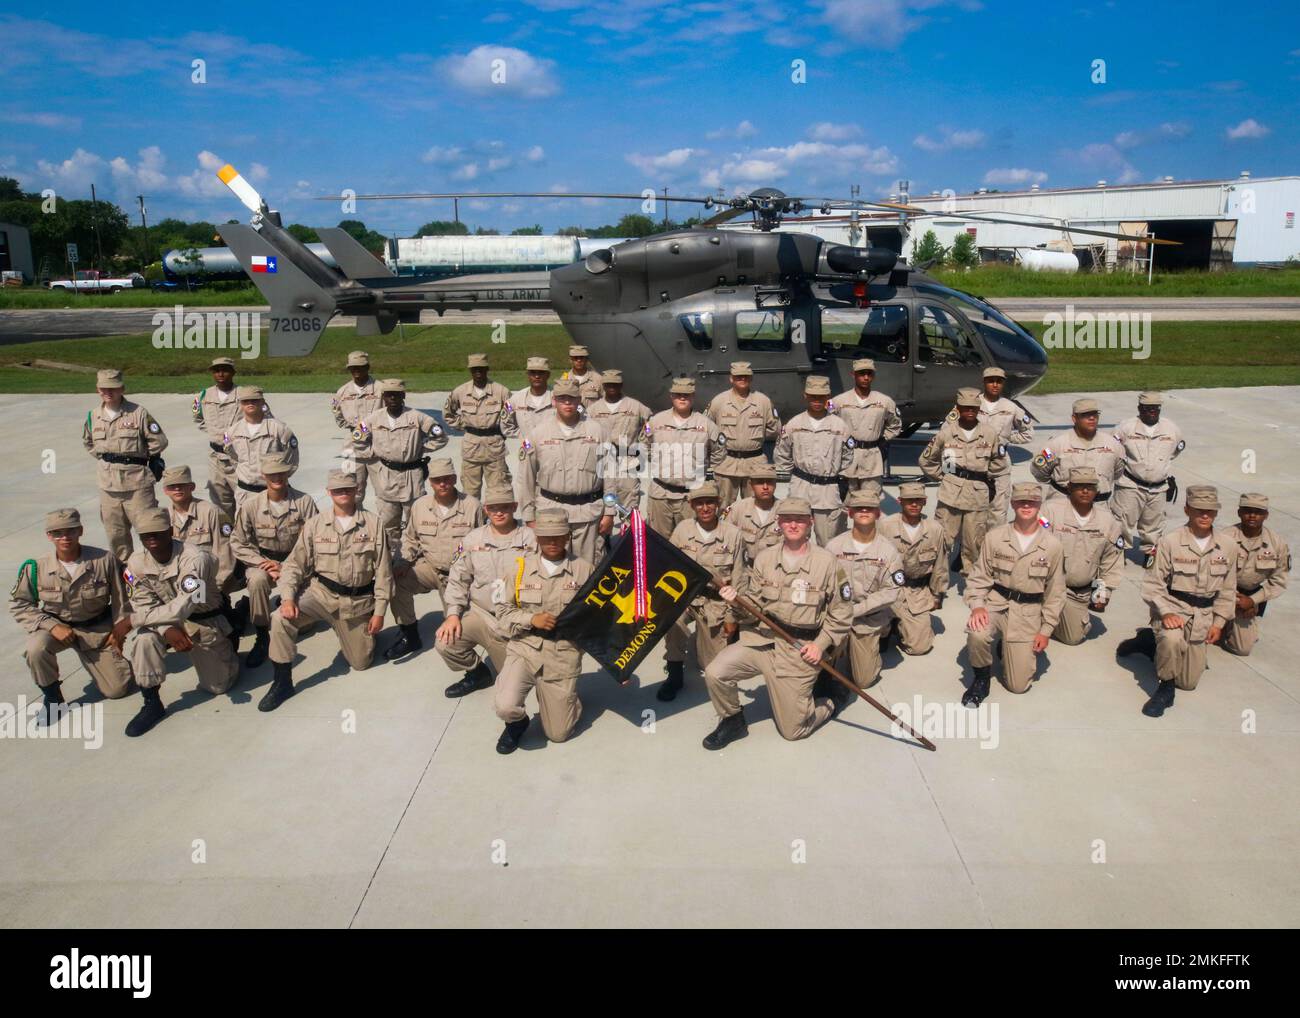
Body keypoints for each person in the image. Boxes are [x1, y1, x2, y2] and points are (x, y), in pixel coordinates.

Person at [703, 497, 854, 749]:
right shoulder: (764, 559)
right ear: (778, 523)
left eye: (800, 520)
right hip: (762, 639)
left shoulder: (827, 563)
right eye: (787, 519)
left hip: (800, 648)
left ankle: (831, 699)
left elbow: (842, 612)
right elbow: (754, 606)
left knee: (794, 731)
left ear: (810, 523)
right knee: (715, 672)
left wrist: (821, 645)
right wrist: (737, 602)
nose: (793, 524)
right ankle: (732, 720)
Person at [261, 470, 394, 713]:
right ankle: (282, 682)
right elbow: (294, 565)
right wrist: (289, 598)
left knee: (361, 663)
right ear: (328, 493)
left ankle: (363, 632)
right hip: (321, 595)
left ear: (356, 491)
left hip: (357, 602)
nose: (343, 494)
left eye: (347, 489)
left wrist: (380, 613)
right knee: (280, 618)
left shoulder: (374, 524)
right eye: (337, 490)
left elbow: (384, 573)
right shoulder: (315, 525)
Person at [120, 508, 239, 737]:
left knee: (217, 687)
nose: (151, 540)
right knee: (144, 640)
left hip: (203, 619)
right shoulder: (135, 563)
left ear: (171, 531)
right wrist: (166, 630)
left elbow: (185, 606)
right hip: (164, 621)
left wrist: (131, 621)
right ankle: (152, 702)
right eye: (146, 536)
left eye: (157, 533)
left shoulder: (195, 559)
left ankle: (229, 642)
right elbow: (142, 603)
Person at [1125, 486, 1237, 718]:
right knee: (1171, 638)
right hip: (1174, 608)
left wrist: (1219, 622)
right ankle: (1165, 689)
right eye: (1198, 510)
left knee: (1188, 682)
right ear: (1187, 510)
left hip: (1203, 616)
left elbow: (1228, 589)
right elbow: (1153, 585)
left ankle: (1148, 644)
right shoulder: (1169, 542)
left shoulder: (1228, 547)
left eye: (1209, 511)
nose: (1204, 515)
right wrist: (1165, 613)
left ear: (1216, 513)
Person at [10, 508, 134, 716]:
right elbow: (19, 604)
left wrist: (119, 632)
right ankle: (52, 697)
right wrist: (52, 626)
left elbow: (122, 599)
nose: (64, 537)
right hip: (58, 629)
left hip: (96, 630)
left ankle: (115, 663)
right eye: (57, 533)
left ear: (80, 531)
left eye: (70, 531)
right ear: (49, 536)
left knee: (117, 690)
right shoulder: (36, 567)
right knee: (35, 649)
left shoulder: (104, 560)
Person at [492, 509, 595, 753]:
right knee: (505, 706)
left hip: (562, 654)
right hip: (525, 648)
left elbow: (597, 618)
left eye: (558, 536)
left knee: (559, 734)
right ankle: (517, 725)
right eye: (546, 537)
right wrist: (531, 618)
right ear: (537, 538)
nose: (552, 542)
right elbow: (502, 613)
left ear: (568, 537)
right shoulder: (518, 568)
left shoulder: (584, 570)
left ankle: (566, 701)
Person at [962, 482, 1066, 707]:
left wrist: (1046, 630)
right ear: (1012, 504)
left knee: (1018, 687)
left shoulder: (1052, 545)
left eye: (1032, 502)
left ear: (1039, 505)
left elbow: (1055, 593)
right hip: (996, 604)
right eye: (1021, 501)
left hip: (1028, 612)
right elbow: (979, 577)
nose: (1026, 505)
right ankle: (981, 679)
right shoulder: (995, 537)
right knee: (977, 632)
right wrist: (978, 605)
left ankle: (1006, 646)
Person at [436, 483, 537, 698]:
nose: (499, 512)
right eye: (493, 508)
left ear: (514, 507)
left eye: (505, 507)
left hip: (517, 622)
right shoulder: (473, 539)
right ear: (485, 510)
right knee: (446, 642)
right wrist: (453, 615)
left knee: (520, 680)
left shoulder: (531, 539)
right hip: (482, 615)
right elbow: (458, 579)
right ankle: (477, 673)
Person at [384, 459, 483, 661]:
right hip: (430, 568)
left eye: (447, 479)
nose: (443, 484)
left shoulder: (472, 506)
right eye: (438, 480)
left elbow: (482, 545)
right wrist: (402, 563)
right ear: (430, 482)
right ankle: (410, 635)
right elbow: (411, 539)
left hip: (459, 577)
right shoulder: (420, 506)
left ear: (454, 479)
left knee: (455, 632)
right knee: (396, 581)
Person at [229, 453, 318, 668]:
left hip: (297, 563)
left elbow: (315, 541)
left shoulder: (304, 502)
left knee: (300, 623)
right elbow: (237, 542)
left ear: (288, 473)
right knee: (257, 580)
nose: (276, 477)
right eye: (271, 474)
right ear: (263, 475)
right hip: (266, 563)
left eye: (280, 472)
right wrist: (261, 563)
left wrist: (286, 566)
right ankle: (262, 634)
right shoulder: (251, 506)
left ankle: (282, 607)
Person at [516, 378, 616, 563]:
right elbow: (526, 478)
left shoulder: (598, 432)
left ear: (580, 401)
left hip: (587, 514)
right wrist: (529, 516)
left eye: (572, 398)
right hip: (550, 513)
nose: (567, 403)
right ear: (554, 401)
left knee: (588, 569)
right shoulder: (538, 435)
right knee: (552, 566)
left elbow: (610, 476)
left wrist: (610, 512)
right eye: (562, 398)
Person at [661, 481, 744, 702]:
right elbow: (669, 569)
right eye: (699, 504)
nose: (705, 508)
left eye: (710, 503)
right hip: (686, 598)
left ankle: (726, 642)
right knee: (672, 622)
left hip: (716, 603)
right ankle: (674, 672)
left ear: (718, 504)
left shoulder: (733, 535)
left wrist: (732, 617)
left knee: (712, 668)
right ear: (692, 505)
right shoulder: (682, 530)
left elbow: (738, 581)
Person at [918, 387, 1009, 575]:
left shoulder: (989, 434)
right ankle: (937, 585)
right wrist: (943, 477)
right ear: (958, 408)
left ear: (979, 409)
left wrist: (982, 477)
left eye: (974, 408)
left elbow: (999, 464)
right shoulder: (947, 433)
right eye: (965, 408)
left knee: (974, 543)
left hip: (977, 497)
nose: (970, 411)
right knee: (942, 540)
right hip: (950, 495)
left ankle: (973, 587)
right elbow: (926, 460)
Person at [83, 369, 168, 562]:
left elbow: (159, 441)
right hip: (108, 485)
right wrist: (108, 459)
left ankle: (153, 570)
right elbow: (88, 442)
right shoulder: (93, 416)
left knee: (150, 531)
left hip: (137, 482)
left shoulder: (138, 413)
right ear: (97, 389)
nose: (108, 392)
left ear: (122, 388)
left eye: (113, 388)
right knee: (115, 535)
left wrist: (144, 458)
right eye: (104, 388)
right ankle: (126, 576)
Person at [353, 378, 449, 549]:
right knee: (388, 523)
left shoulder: (417, 417)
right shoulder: (373, 419)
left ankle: (417, 556)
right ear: (383, 397)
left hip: (412, 476)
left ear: (403, 396)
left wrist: (422, 448)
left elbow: (440, 437)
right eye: (389, 395)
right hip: (386, 477)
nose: (392, 399)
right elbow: (358, 439)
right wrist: (373, 453)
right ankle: (392, 557)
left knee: (418, 520)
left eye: (396, 395)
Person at [824, 488, 903, 690]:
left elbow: (891, 591)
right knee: (820, 668)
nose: (865, 511)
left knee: (863, 681)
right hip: (837, 616)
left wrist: (856, 611)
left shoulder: (888, 550)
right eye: (859, 508)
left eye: (870, 508)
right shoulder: (834, 547)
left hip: (869, 619)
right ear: (850, 513)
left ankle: (883, 632)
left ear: (878, 513)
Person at [1041, 467, 1125, 646]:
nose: (1085, 491)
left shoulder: (1107, 521)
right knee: (1023, 625)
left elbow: (1110, 562)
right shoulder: (1049, 511)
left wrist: (1103, 593)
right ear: (1069, 487)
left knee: (1073, 638)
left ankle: (1059, 614)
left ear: (1097, 490)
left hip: (1075, 591)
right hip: (1043, 586)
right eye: (1080, 486)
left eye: (1090, 487)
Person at [161, 464, 243, 645]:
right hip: (178, 588)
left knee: (209, 638)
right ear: (165, 490)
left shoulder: (211, 512)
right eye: (173, 486)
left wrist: (215, 588)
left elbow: (226, 555)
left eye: (182, 485)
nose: (178, 489)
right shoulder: (163, 518)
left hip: (208, 587)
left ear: (191, 487)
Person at [775, 376, 853, 546]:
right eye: (813, 396)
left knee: (828, 542)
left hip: (828, 492)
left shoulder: (840, 427)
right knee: (795, 540)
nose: (817, 400)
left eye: (822, 396)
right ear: (805, 396)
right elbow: (781, 455)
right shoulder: (793, 424)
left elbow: (848, 458)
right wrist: (798, 474)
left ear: (828, 397)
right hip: (800, 489)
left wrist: (832, 475)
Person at [644, 377, 725, 538]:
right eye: (678, 394)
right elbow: (645, 447)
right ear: (671, 396)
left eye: (687, 395)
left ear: (693, 396)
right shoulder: (655, 422)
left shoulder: (706, 425)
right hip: (661, 494)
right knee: (659, 542)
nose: (682, 398)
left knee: (691, 542)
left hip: (692, 496)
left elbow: (719, 454)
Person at [1110, 392, 1184, 565]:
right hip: (1130, 485)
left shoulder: (1171, 429)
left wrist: (1159, 468)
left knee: (1154, 524)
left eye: (1155, 408)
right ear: (1139, 408)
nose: (1152, 412)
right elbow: (1114, 450)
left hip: (1158, 488)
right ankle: (1118, 553)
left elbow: (1176, 450)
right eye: (1147, 408)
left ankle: (1149, 554)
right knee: (1122, 521)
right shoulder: (1125, 428)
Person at [878, 482, 950, 656]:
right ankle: (887, 628)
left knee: (919, 648)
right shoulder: (884, 526)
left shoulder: (934, 529)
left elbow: (941, 566)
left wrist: (937, 595)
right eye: (909, 500)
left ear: (925, 501)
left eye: (918, 500)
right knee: (875, 643)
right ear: (899, 501)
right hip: (888, 590)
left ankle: (901, 625)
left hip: (916, 592)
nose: (914, 504)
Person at [1222, 493, 1291, 657]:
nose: (1252, 515)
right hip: (1222, 592)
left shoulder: (1277, 544)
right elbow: (1210, 574)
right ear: (1239, 512)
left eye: (1258, 512)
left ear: (1266, 515)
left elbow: (1279, 582)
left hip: (1249, 596)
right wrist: (1234, 597)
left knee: (1242, 649)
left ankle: (1229, 624)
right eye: (1247, 510)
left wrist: (1253, 601)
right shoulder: (1224, 537)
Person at [443, 353, 515, 502]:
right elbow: (448, 413)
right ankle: (474, 522)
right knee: (470, 492)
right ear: (470, 371)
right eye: (475, 369)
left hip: (494, 446)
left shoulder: (501, 392)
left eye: (481, 369)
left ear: (487, 369)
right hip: (471, 447)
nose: (478, 372)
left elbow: (512, 414)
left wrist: (503, 429)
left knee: (499, 491)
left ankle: (497, 523)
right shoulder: (460, 392)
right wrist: (465, 425)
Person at [707, 362, 780, 507]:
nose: (742, 379)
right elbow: (707, 428)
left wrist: (753, 437)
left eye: (746, 376)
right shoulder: (719, 401)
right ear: (731, 378)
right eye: (738, 376)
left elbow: (775, 429)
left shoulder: (763, 401)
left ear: (751, 378)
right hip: (726, 463)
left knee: (756, 507)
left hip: (755, 463)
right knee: (722, 508)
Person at [1031, 397, 1124, 504]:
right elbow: (1039, 472)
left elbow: (1117, 472)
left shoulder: (1113, 445)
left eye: (1095, 414)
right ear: (1074, 418)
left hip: (1099, 506)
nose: (1092, 418)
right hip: (1064, 503)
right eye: (1085, 415)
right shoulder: (1056, 444)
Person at [586, 368, 652, 518]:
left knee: (629, 507)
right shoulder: (593, 410)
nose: (612, 388)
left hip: (627, 462)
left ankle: (628, 537)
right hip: (601, 462)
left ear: (621, 385)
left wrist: (643, 445)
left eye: (615, 385)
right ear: (603, 385)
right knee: (600, 507)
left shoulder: (635, 406)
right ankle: (604, 540)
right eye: (608, 384)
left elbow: (651, 425)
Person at [223, 385, 299, 509]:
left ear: (262, 402)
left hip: (274, 492)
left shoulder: (279, 429)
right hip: (246, 493)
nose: (250, 403)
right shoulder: (232, 432)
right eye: (246, 401)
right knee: (244, 527)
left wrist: (279, 478)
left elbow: (292, 458)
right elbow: (233, 458)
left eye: (254, 400)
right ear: (240, 404)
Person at [832, 358, 902, 494]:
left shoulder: (885, 401)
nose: (866, 377)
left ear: (873, 376)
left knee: (870, 502)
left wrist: (883, 439)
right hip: (847, 457)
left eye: (869, 374)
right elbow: (827, 421)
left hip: (872, 459)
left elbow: (895, 425)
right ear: (853, 375)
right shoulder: (838, 401)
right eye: (861, 373)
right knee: (845, 502)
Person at [976, 366, 1034, 527]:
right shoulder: (972, 404)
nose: (995, 385)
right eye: (990, 381)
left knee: (998, 509)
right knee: (972, 509)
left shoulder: (1010, 407)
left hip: (999, 465)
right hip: (973, 464)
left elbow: (1028, 433)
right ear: (984, 382)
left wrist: (1006, 439)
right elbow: (948, 429)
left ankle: (995, 546)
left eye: (999, 381)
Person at [191, 355, 242, 517]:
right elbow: (198, 418)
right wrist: (214, 433)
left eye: (225, 370)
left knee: (244, 500)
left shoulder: (244, 395)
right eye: (216, 371)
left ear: (233, 373)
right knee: (220, 501)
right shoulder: (203, 396)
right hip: (216, 458)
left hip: (239, 456)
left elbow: (264, 419)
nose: (220, 374)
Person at [330, 350, 382, 506]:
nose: (356, 371)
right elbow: (337, 414)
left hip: (377, 445)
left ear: (368, 367)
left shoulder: (381, 389)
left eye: (360, 367)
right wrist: (354, 428)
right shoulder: (342, 392)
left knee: (383, 490)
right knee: (351, 489)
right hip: (351, 446)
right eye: (353, 368)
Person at [722, 462, 782, 566]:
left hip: (775, 569)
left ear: (776, 484)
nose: (765, 487)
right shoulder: (737, 509)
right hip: (745, 568)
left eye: (770, 482)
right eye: (759, 482)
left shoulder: (785, 511)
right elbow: (724, 540)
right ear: (751, 484)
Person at [507, 356, 554, 440]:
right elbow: (505, 423)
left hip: (552, 449)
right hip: (527, 449)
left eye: (541, 372)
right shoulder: (515, 399)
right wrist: (523, 435)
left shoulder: (560, 397)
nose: (537, 376)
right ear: (528, 375)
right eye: (533, 372)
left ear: (548, 375)